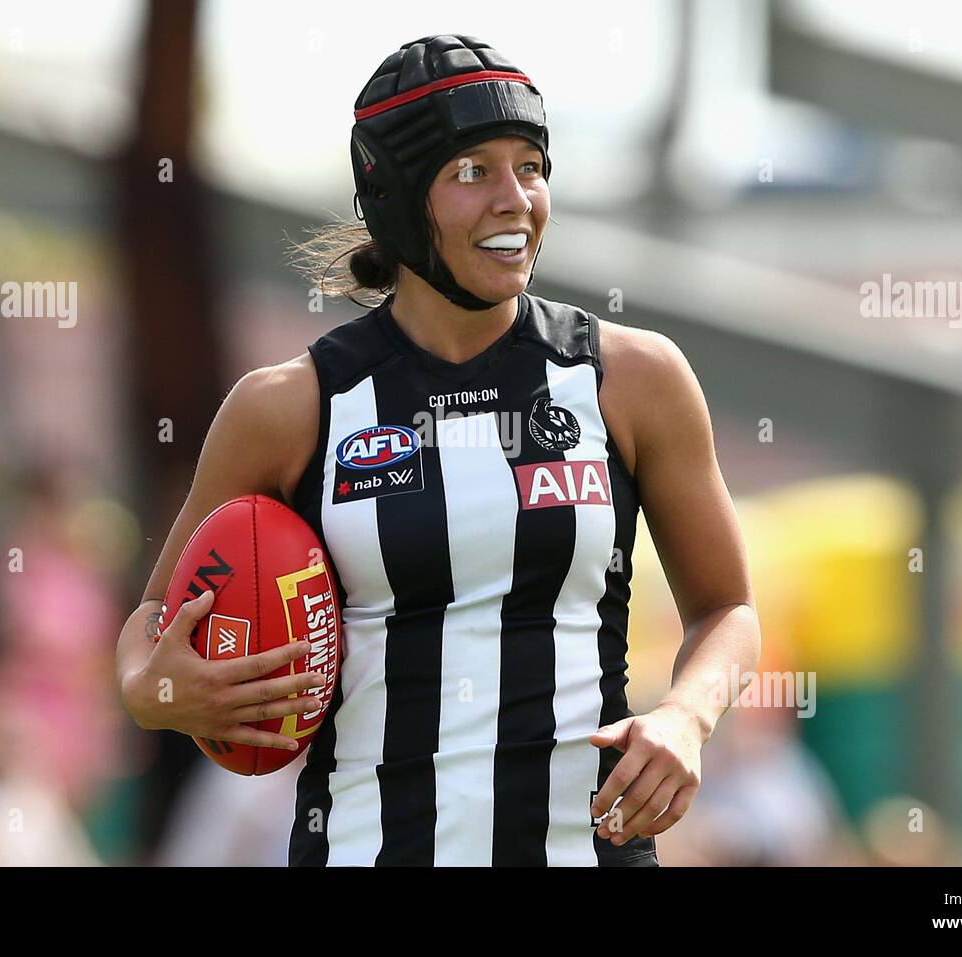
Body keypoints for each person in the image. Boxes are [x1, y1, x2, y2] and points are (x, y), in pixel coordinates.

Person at [117, 34, 760, 867]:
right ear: (394, 196)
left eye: (530, 165)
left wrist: (687, 715)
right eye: (472, 171)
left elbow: (729, 611)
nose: (515, 198)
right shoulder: (289, 407)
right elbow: (149, 632)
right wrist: (163, 690)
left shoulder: (633, 378)